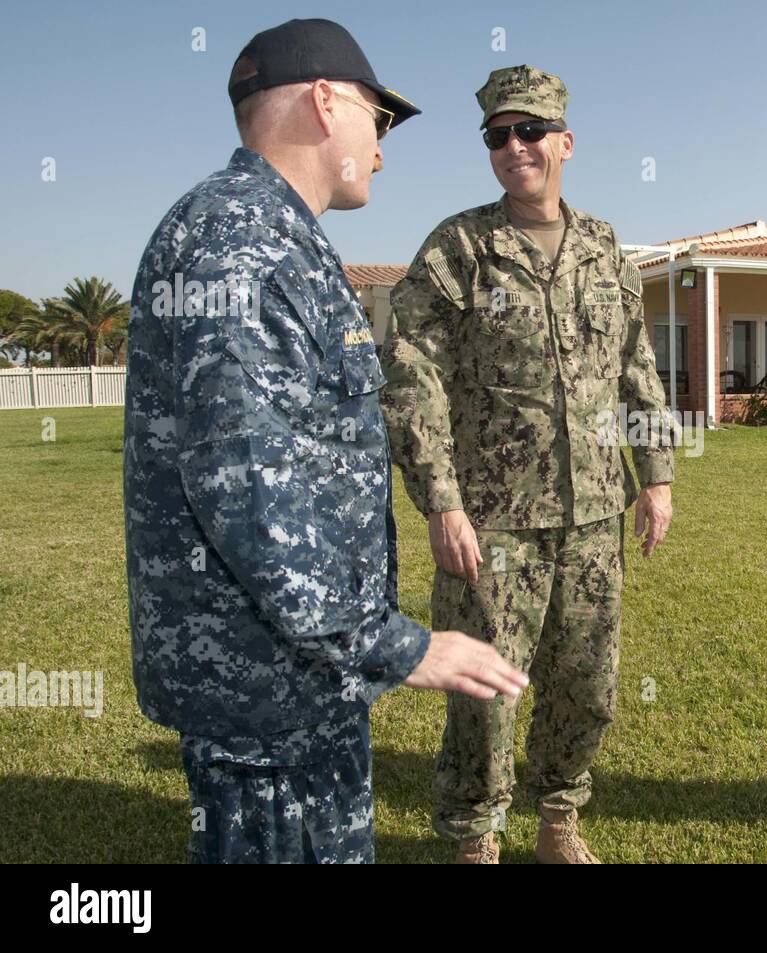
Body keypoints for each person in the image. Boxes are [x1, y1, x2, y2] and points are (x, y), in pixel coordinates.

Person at [123, 18, 527, 864]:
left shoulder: (277, 240)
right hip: (263, 694)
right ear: (325, 100)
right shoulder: (239, 247)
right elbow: (249, 493)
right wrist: (398, 644)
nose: (381, 150)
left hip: (296, 682)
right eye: (379, 122)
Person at [381, 65, 676, 863]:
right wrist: (441, 501)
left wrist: (655, 474)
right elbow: (410, 375)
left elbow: (635, 364)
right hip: (493, 521)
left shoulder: (605, 247)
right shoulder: (460, 248)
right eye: (498, 135)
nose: (515, 146)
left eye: (530, 131)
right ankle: (476, 832)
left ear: (565, 143)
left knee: (587, 683)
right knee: (485, 691)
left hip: (592, 517)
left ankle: (557, 816)